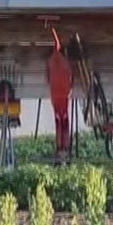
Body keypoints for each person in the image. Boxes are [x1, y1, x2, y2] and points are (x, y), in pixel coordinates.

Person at [46, 30, 73, 159]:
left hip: (59, 95)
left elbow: (49, 76)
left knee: (61, 120)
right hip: (60, 95)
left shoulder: (56, 61)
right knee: (62, 120)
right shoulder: (57, 61)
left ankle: (62, 148)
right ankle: (62, 148)